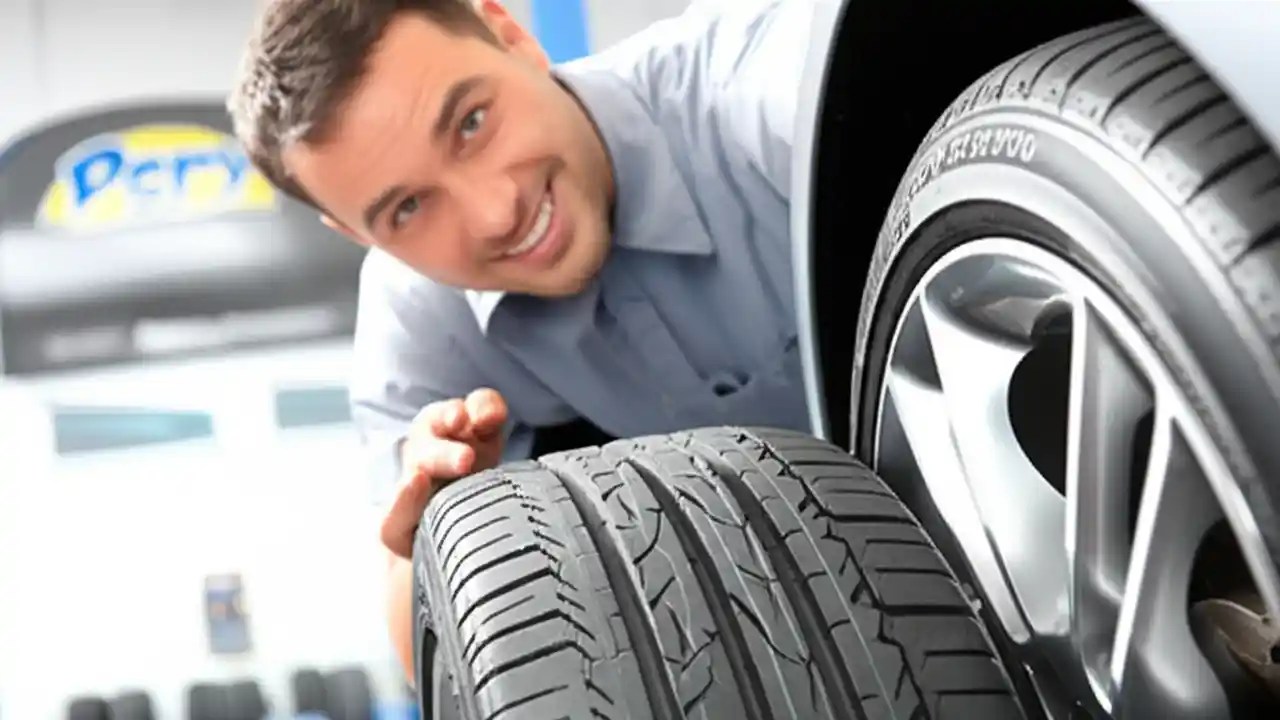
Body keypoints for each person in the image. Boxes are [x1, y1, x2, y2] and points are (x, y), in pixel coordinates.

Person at [227, 0, 819, 683]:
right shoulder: (416, 310)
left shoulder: (758, 82)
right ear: (359, 235)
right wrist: (450, 542)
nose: (495, 212)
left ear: (512, 36)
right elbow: (430, 657)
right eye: (408, 208)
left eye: (471, 123)